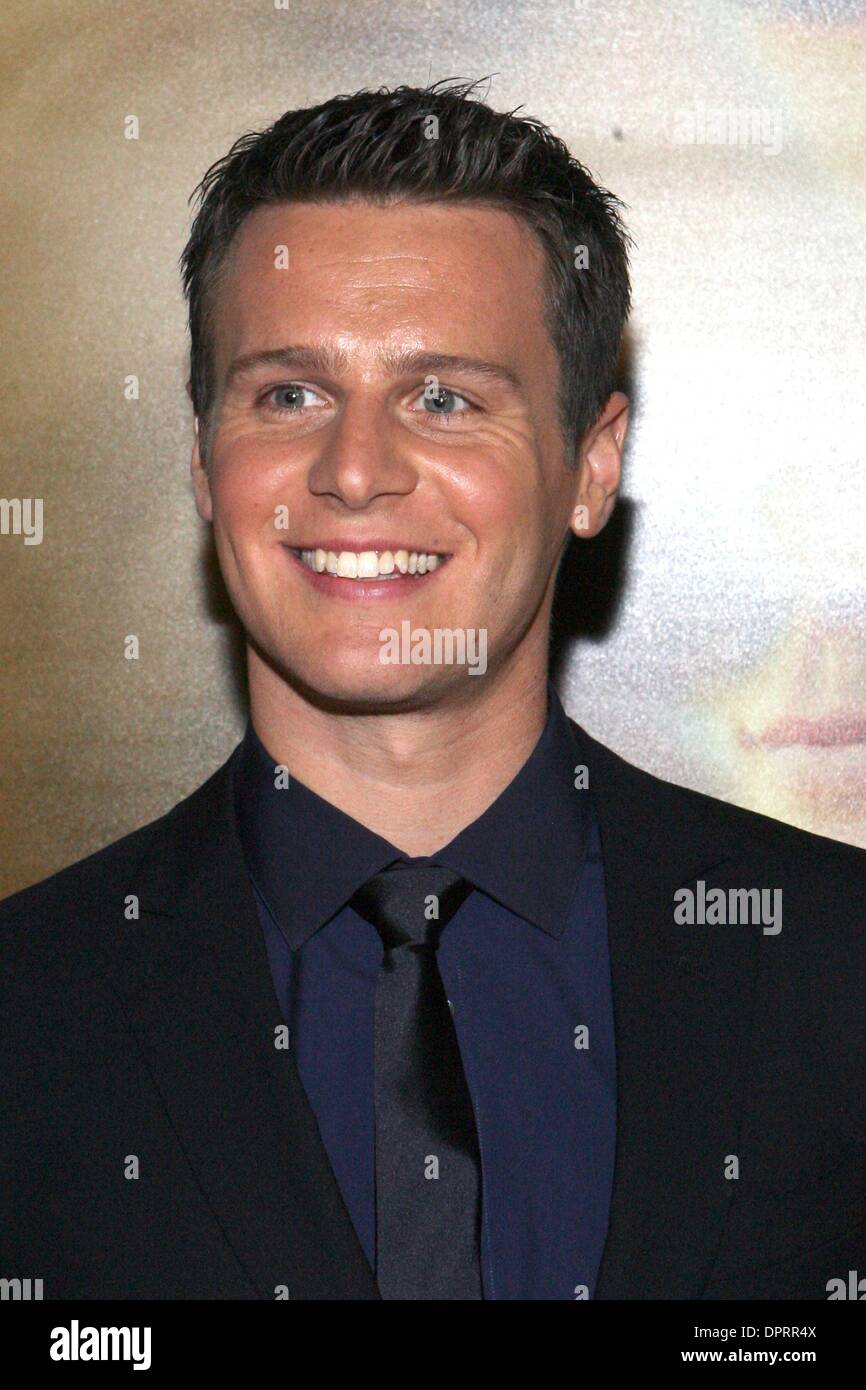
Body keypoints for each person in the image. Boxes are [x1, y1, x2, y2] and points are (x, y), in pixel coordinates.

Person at [1, 80, 863, 1301]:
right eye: (288, 393)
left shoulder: (833, 969)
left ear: (590, 463)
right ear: (205, 463)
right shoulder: (29, 1006)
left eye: (444, 398)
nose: (354, 470)